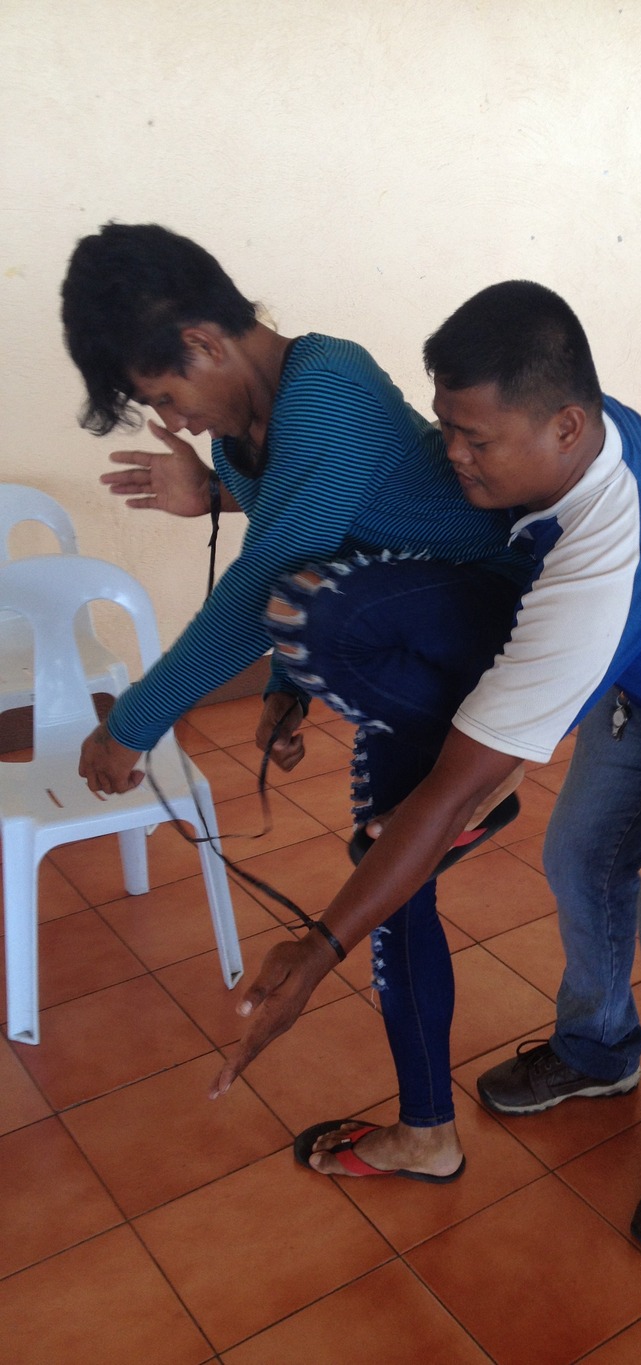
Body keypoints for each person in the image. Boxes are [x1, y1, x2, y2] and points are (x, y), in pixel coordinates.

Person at [211, 279, 641, 1253]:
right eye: (446, 430)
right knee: (580, 861)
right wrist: (226, 487)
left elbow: (456, 788)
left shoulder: (601, 561)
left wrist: (318, 950)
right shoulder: (559, 447)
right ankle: (597, 1050)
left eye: (474, 440)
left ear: (565, 425)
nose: (453, 458)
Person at [60, 224, 532, 1176]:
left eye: (168, 395)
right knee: (393, 884)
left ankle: (475, 800)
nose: (179, 420)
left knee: (296, 612)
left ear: (203, 341)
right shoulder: (251, 432)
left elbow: (267, 583)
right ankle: (429, 1131)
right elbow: (317, 538)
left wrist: (134, 723)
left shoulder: (328, 385)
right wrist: (286, 685)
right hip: (410, 634)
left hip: (474, 620)